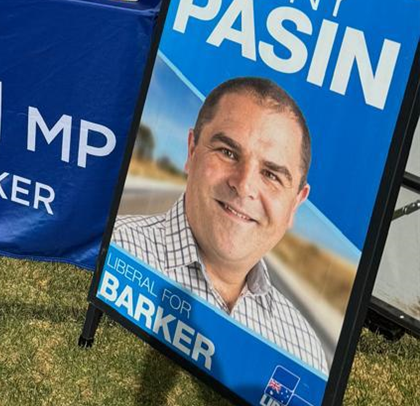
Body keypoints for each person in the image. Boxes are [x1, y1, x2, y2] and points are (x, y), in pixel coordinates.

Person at [111, 76, 327, 372]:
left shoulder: (304, 353)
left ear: (295, 205)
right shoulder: (116, 251)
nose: (243, 185)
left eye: (271, 175)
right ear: (192, 151)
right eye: (228, 153)